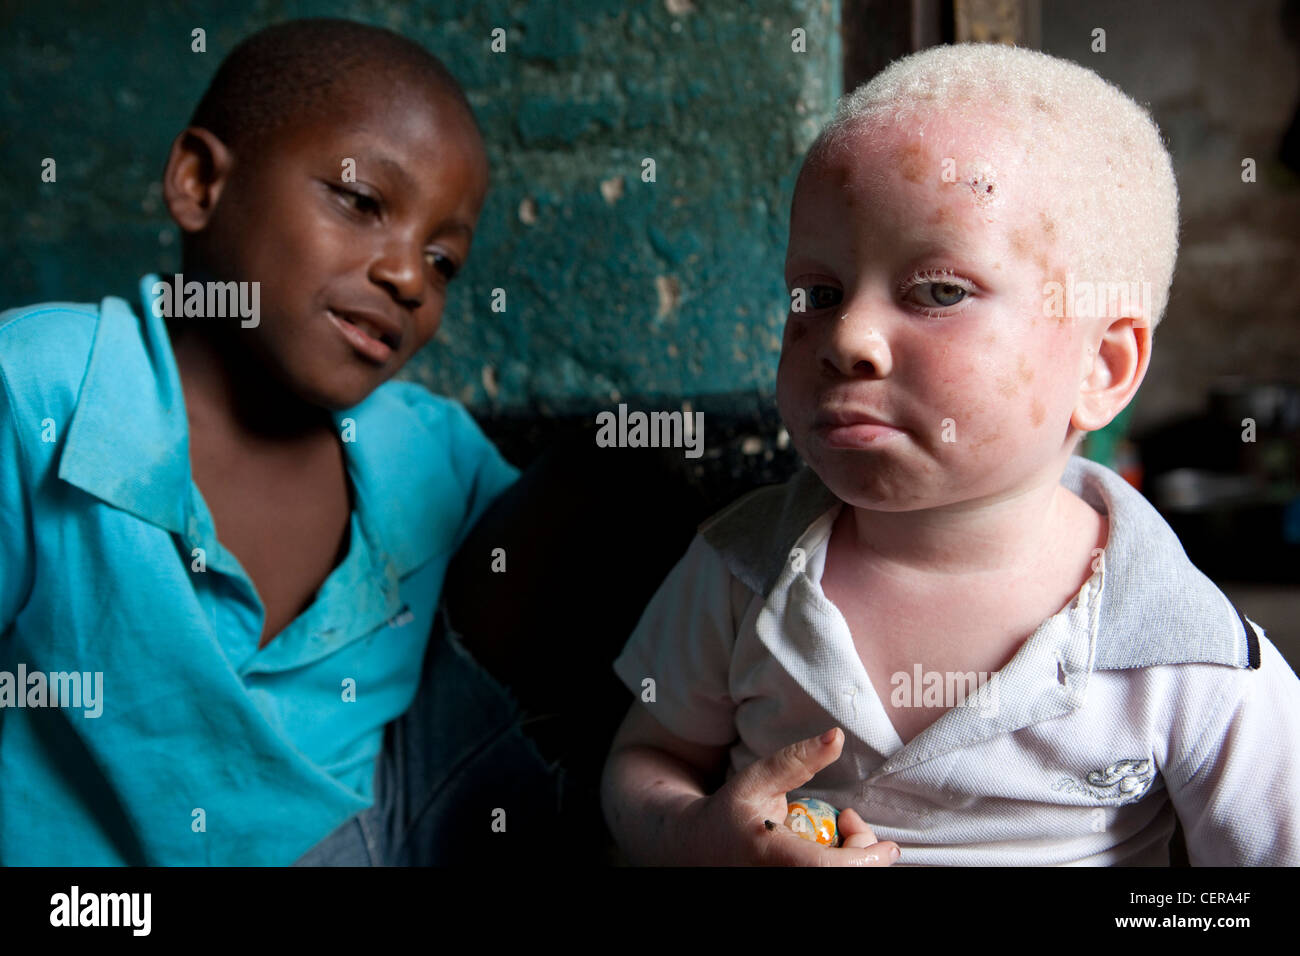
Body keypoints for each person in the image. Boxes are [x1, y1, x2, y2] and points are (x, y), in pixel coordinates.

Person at [600, 43, 1300, 866]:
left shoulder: (1185, 649)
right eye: (817, 296)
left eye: (938, 291)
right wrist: (693, 834)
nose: (848, 339)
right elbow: (648, 759)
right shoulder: (739, 568)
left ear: (1101, 368)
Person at [0, 18, 559, 865]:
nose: (408, 276)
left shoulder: (426, 449)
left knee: (613, 477)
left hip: (379, 835)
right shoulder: (39, 391)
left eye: (444, 262)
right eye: (363, 202)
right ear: (198, 183)